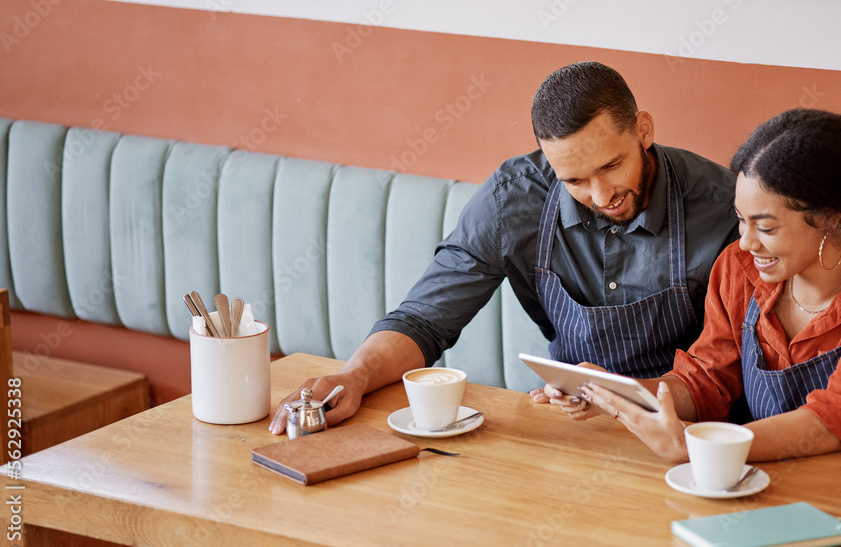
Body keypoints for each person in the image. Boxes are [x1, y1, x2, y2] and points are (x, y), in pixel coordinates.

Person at [268, 61, 738, 434]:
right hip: (575, 428)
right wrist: (354, 376)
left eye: (612, 166)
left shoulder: (722, 206)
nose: (600, 195)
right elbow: (426, 318)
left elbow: (726, 372)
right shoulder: (514, 198)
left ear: (643, 130)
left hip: (692, 432)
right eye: (573, 179)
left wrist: (623, 395)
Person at [554, 108, 841, 466]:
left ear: (827, 217)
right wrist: (616, 392)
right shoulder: (738, 267)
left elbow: (837, 420)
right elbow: (706, 382)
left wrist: (703, 447)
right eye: (740, 220)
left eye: (765, 226)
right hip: (772, 471)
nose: (747, 243)